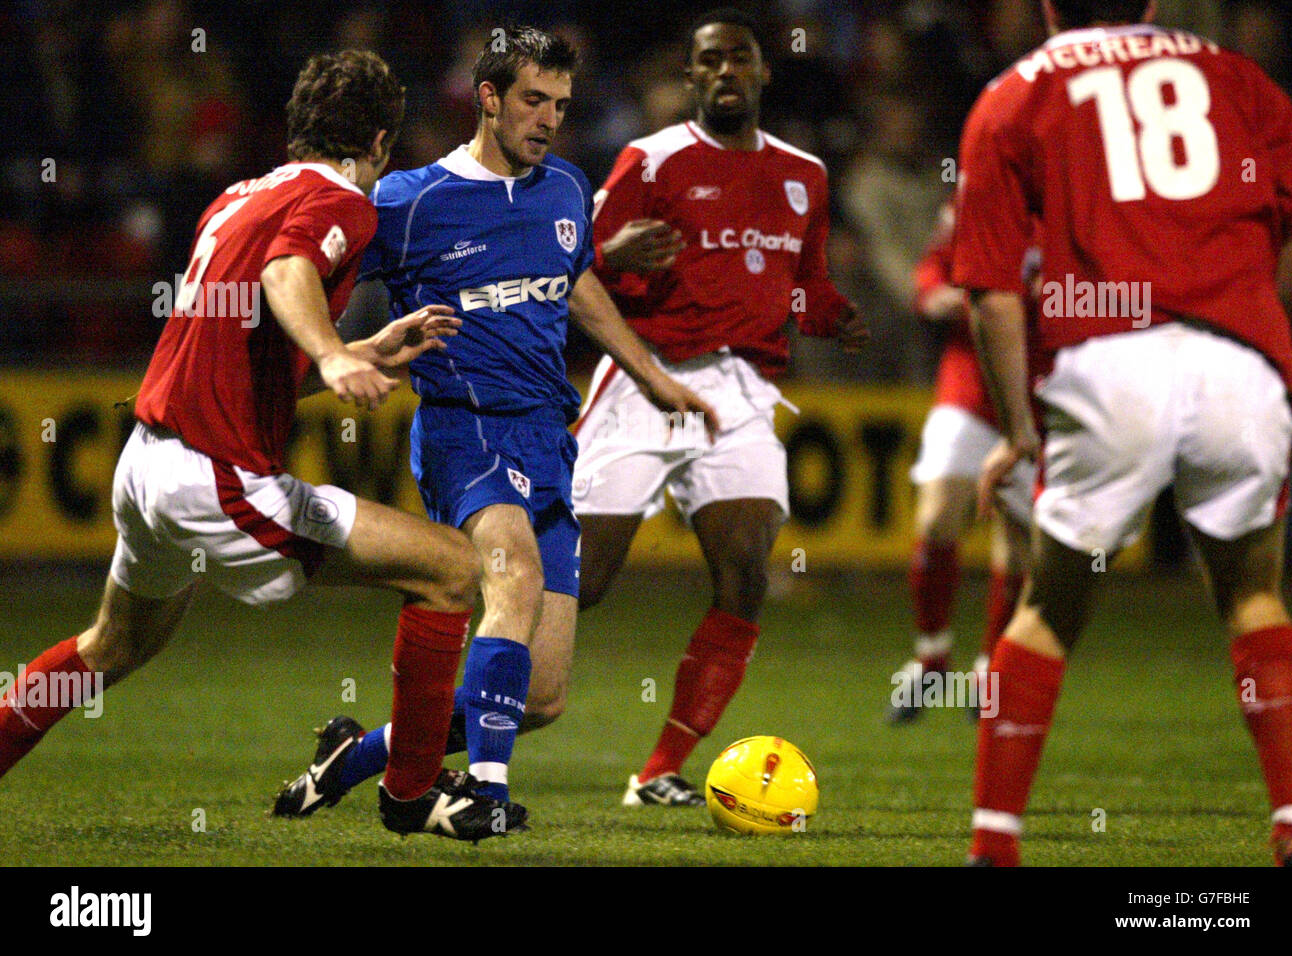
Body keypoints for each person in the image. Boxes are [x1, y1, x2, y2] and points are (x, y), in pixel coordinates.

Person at [0, 51, 525, 842]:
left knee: (108, 646)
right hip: (212, 475)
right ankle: (411, 793)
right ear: (379, 139)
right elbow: (288, 273)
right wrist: (333, 352)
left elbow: (240, 352)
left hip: (145, 461)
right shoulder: (344, 201)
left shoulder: (237, 197)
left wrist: (366, 349)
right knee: (452, 570)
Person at [272, 26, 717, 813]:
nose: (547, 120)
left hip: (549, 439)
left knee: (540, 698)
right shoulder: (409, 203)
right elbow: (304, 263)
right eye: (532, 101)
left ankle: (353, 757)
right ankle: (482, 792)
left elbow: (574, 280)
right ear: (487, 99)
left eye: (561, 105)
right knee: (509, 575)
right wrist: (322, 350)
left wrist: (651, 377)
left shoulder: (567, 189)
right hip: (463, 428)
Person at [953, 0, 1292, 866]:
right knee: (1254, 594)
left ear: (1046, 6)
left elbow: (991, 290)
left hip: (1109, 363)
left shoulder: (1010, 94)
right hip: (1239, 354)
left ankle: (994, 844)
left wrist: (1020, 430)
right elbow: (1288, 236)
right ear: (1149, 1)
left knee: (1048, 610)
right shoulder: (1244, 81)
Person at [574, 8, 871, 806]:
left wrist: (831, 312)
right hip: (646, 376)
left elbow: (799, 281)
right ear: (692, 77)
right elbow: (569, 267)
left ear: (763, 73)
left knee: (744, 576)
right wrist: (609, 253)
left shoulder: (805, 173)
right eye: (710, 62)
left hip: (739, 390)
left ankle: (660, 768)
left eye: (740, 58)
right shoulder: (652, 160)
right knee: (582, 580)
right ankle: (464, 711)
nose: (726, 72)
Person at [887, 201, 1035, 724]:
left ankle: (988, 672)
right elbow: (932, 269)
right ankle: (931, 659)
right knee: (936, 515)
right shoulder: (975, 203)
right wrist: (934, 295)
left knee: (1021, 539)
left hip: (1041, 391)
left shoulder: (1082, 203)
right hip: (970, 387)